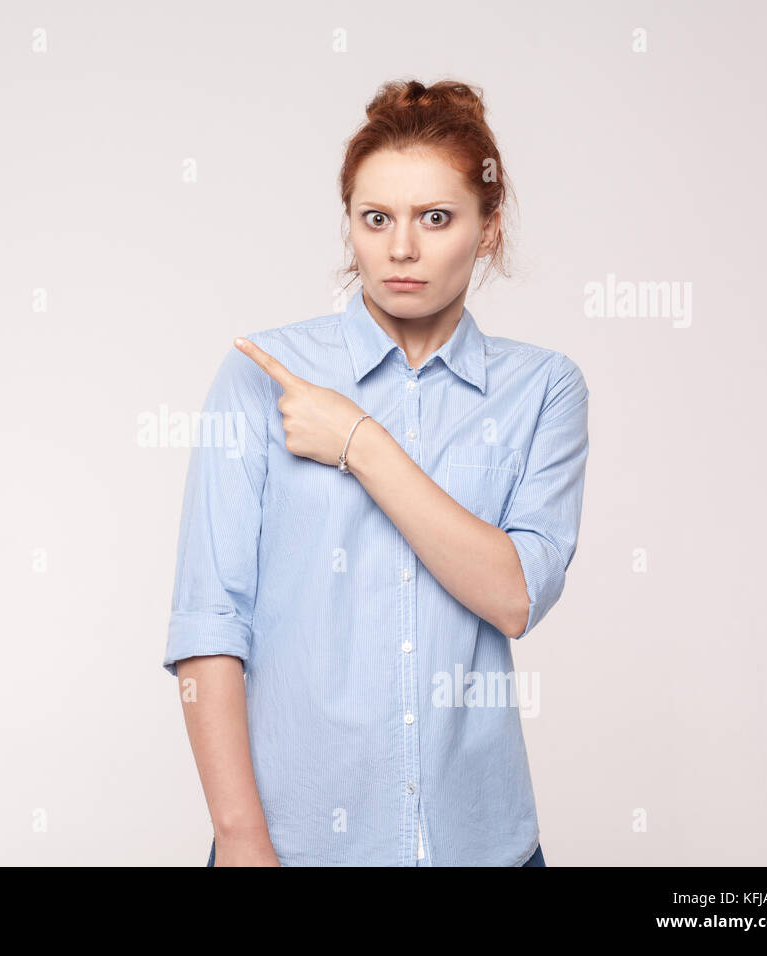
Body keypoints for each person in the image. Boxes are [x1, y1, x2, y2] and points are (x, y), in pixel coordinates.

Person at [163, 79, 588, 867]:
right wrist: (242, 841)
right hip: (293, 848)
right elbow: (209, 623)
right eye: (376, 218)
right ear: (350, 224)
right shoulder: (264, 375)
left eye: (437, 218)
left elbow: (514, 596)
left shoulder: (543, 389)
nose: (401, 249)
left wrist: (359, 440)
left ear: (489, 229)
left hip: (482, 846)